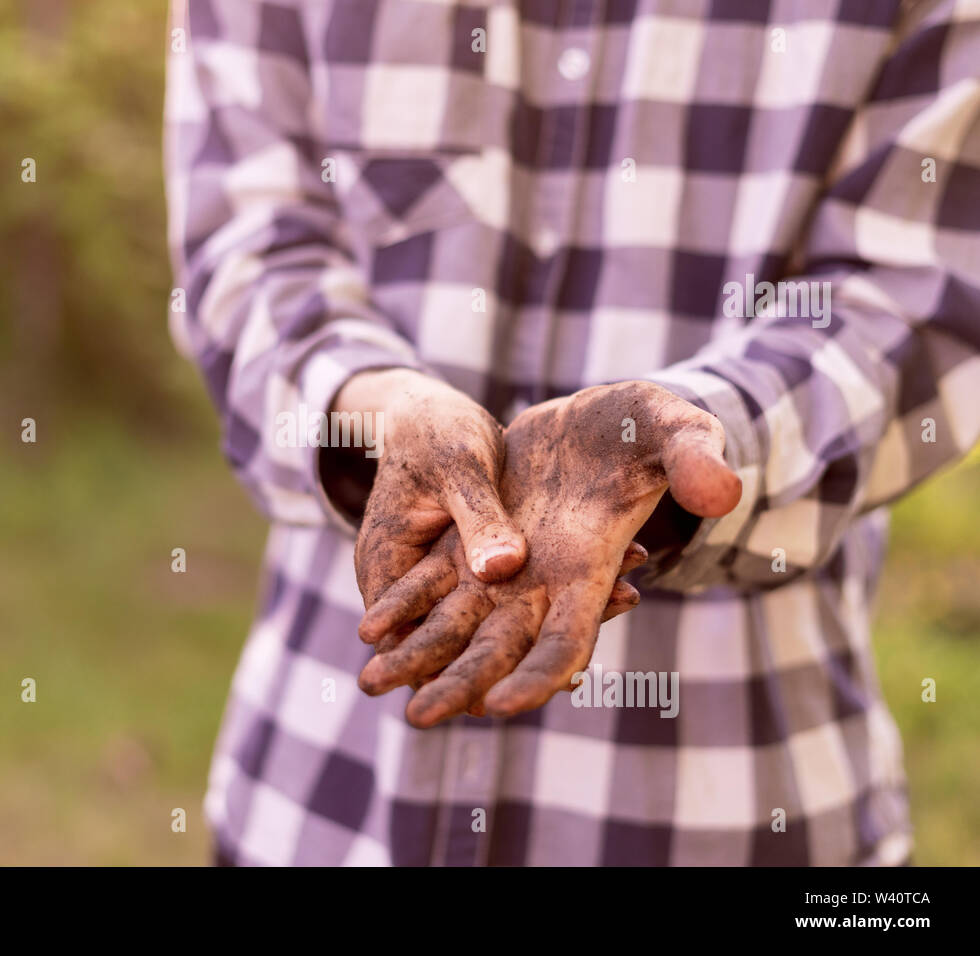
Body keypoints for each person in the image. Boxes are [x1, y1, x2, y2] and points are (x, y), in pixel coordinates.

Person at [165, 0, 980, 865]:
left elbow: (920, 296)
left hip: (732, 813)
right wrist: (371, 406)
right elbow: (253, 238)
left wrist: (676, 452)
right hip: (322, 806)